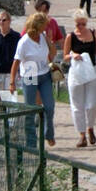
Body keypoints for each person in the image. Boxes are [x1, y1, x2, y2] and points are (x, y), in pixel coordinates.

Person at [11, 12, 57, 149]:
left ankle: (48, 133)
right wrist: (12, 81)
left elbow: (52, 54)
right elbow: (16, 62)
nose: (46, 27)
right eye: (44, 25)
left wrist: (49, 41)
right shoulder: (24, 42)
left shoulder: (43, 37)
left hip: (44, 72)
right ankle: (31, 142)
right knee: (30, 108)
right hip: (30, 72)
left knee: (49, 106)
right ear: (38, 26)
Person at [62, 9, 96, 147]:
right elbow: (65, 56)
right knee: (77, 105)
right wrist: (73, 55)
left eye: (83, 24)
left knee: (92, 104)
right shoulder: (70, 36)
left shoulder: (93, 33)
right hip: (76, 73)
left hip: (91, 72)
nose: (81, 27)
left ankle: (90, 127)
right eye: (78, 24)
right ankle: (82, 134)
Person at [0, 13, 21, 100]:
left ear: (9, 21)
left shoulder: (16, 36)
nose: (1, 22)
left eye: (4, 20)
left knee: (10, 99)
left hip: (10, 72)